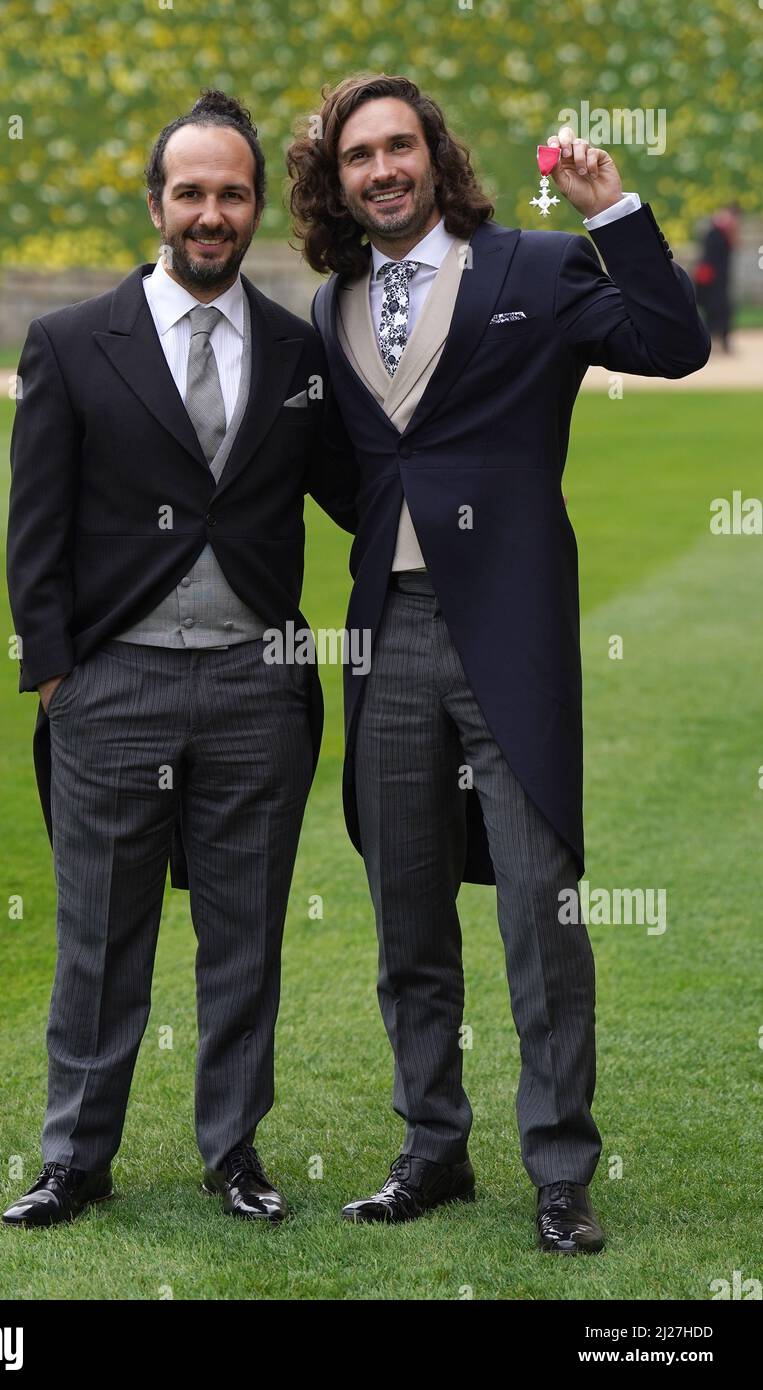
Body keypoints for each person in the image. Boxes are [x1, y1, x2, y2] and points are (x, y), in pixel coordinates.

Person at [287, 73, 710, 1253]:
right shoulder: (333, 307)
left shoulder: (534, 266)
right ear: (340, 180)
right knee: (406, 913)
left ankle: (561, 1170)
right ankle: (432, 1147)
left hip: (512, 634)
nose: (382, 168)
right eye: (358, 154)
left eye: (399, 146)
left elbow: (675, 344)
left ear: (437, 155)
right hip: (390, 635)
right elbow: (352, 471)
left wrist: (613, 217)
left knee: (540, 911)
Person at [3, 91, 356, 1229]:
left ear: (257, 206)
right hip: (117, 688)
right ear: (157, 202)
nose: (212, 212)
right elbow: (34, 530)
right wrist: (61, 679)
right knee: (99, 939)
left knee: (246, 938)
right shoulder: (67, 342)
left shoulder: (302, 349)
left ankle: (233, 1152)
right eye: (192, 192)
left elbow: (357, 490)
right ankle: (75, 1157)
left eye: (233, 193)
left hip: (258, 687)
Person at [693, 203, 741, 352]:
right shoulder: (716, 232)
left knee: (720, 310)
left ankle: (719, 343)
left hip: (719, 279)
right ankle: (709, 343)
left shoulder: (723, 231)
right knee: (715, 310)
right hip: (712, 279)